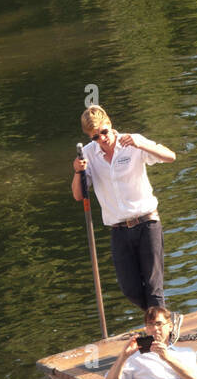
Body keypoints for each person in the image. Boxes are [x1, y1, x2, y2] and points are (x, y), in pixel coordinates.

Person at [71, 105, 175, 314]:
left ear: (110, 124)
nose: (101, 139)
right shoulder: (89, 155)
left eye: (104, 132)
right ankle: (163, 320)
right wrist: (77, 171)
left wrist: (141, 145)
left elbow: (170, 156)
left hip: (147, 222)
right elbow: (78, 195)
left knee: (154, 288)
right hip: (118, 229)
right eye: (95, 137)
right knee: (131, 289)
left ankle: (159, 333)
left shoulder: (132, 141)